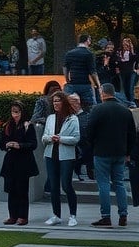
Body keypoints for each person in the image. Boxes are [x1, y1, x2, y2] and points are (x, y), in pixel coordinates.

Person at [87, 82, 136, 228]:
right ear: (113, 93)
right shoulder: (125, 111)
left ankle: (106, 217)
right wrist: (128, 152)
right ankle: (123, 215)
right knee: (119, 183)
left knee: (103, 184)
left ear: (102, 93)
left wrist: (93, 145)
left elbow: (89, 132)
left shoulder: (97, 110)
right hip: (120, 152)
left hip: (101, 152)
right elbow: (132, 134)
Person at [41, 90, 80, 227]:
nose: (56, 103)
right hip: (51, 154)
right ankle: (56, 215)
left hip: (66, 156)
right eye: (54, 101)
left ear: (63, 102)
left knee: (66, 184)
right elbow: (44, 137)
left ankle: (72, 215)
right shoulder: (51, 118)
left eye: (58, 101)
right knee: (53, 186)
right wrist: (50, 138)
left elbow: (76, 138)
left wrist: (61, 139)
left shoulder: (72, 118)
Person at [0, 100, 38, 225]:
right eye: (13, 112)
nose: (14, 115)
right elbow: (1, 144)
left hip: (23, 163)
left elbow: (33, 144)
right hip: (10, 162)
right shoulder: (7, 126)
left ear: (22, 112)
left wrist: (19, 145)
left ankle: (23, 216)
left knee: (22, 190)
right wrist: (7, 144)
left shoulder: (27, 125)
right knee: (11, 190)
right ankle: (12, 216)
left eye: (17, 112)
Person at [63, 32, 101, 109]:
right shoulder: (89, 54)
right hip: (85, 84)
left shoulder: (70, 53)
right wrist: (98, 85)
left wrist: (67, 79)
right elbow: (93, 72)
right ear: (87, 40)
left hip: (73, 83)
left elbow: (65, 67)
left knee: (73, 107)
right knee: (91, 107)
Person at [67, 92, 94, 181]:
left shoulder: (87, 115)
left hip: (85, 145)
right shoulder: (69, 117)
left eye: (70, 103)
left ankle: (89, 173)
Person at [115, 36, 137, 105]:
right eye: (124, 41)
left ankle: (132, 102)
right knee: (124, 88)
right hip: (122, 72)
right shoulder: (119, 52)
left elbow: (135, 59)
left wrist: (132, 49)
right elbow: (117, 61)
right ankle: (125, 102)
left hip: (131, 71)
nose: (125, 43)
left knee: (130, 87)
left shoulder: (132, 52)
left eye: (127, 41)